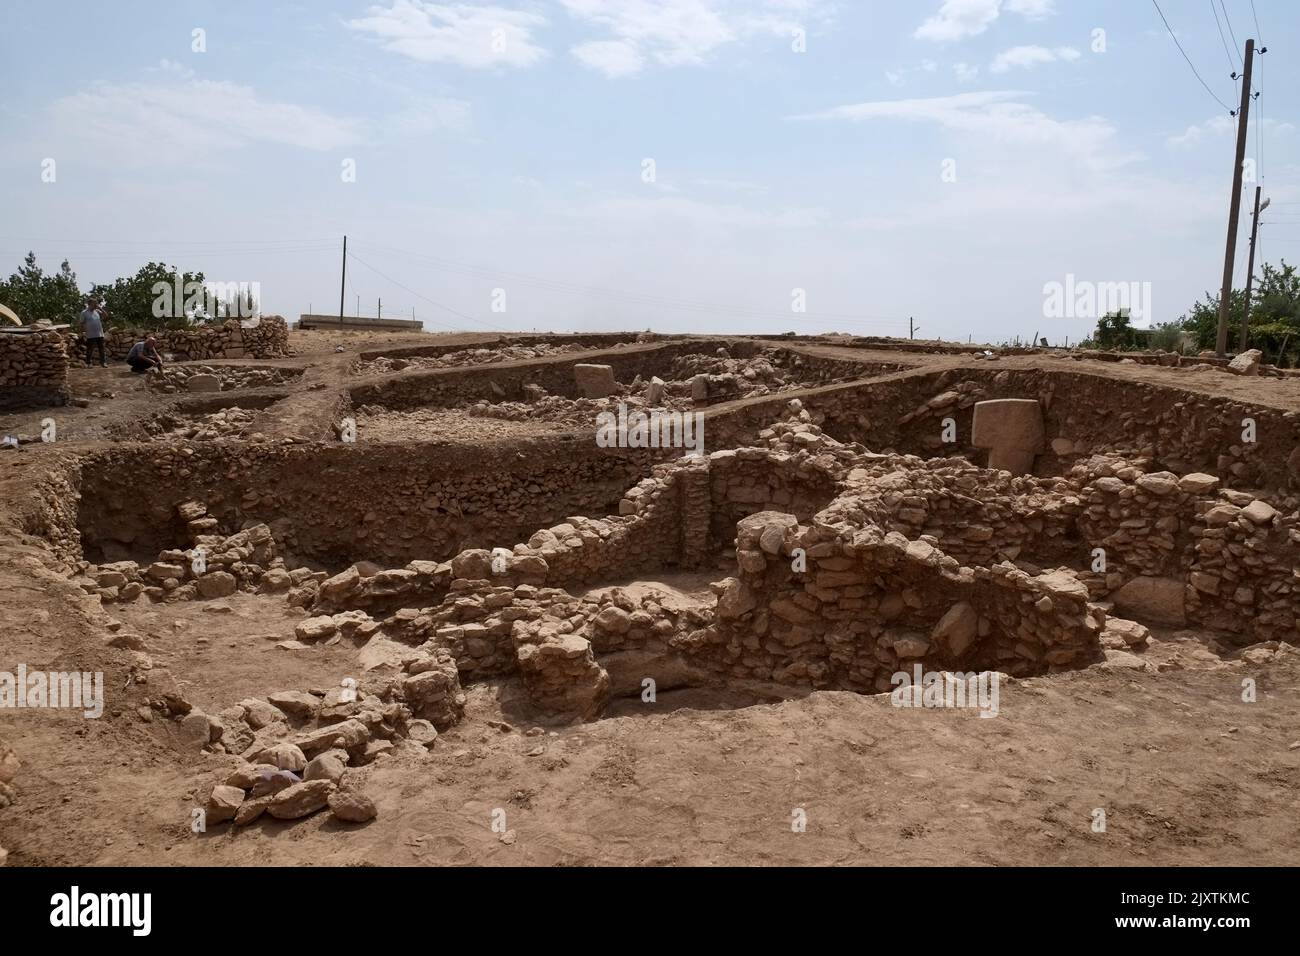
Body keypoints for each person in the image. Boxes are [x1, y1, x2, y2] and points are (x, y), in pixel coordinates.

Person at [80, 298, 108, 367]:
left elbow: (105, 316)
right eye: (94, 303)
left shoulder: (97, 311)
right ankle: (88, 363)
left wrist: (100, 308)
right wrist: (81, 332)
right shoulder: (84, 312)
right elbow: (81, 323)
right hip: (90, 334)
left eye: (96, 303)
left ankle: (103, 362)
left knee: (102, 349)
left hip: (100, 333)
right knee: (90, 349)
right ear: (89, 304)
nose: (96, 305)